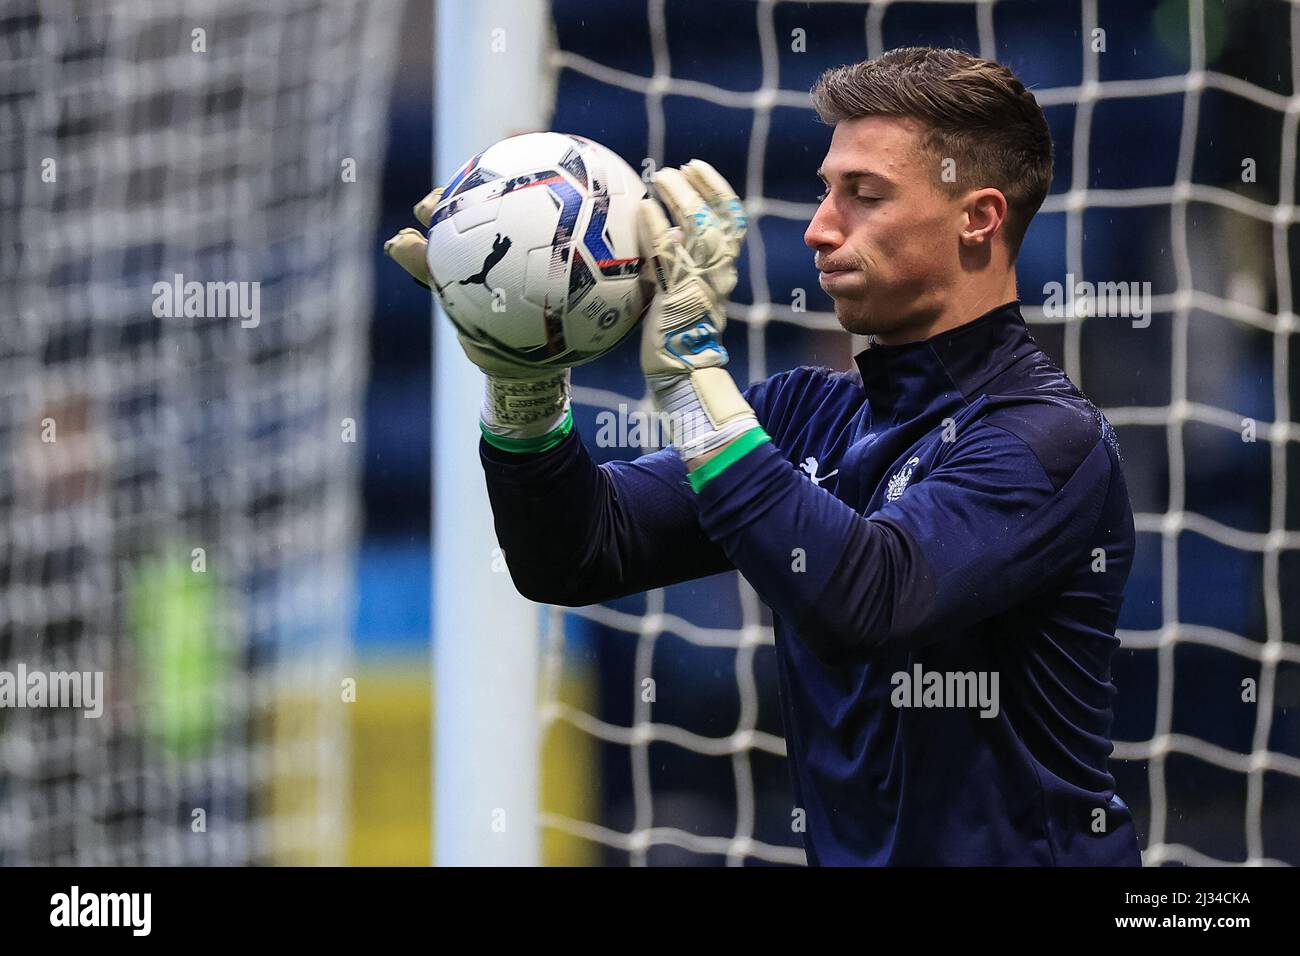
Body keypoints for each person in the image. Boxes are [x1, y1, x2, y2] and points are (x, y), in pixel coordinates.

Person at [387, 46, 1142, 867]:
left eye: (864, 195)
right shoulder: (804, 415)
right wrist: (525, 389)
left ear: (979, 218)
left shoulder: (1045, 439)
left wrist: (690, 382)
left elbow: (866, 599)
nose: (820, 226)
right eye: (826, 189)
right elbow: (576, 553)